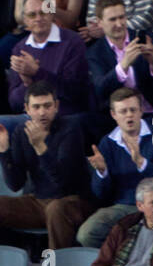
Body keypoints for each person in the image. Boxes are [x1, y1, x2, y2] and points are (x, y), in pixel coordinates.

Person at [0, 82, 95, 247]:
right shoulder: (21, 132)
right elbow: (16, 185)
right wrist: (4, 151)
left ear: (56, 106)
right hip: (39, 202)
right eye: (36, 107)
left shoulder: (71, 129)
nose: (42, 112)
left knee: (55, 209)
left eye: (47, 106)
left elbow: (63, 183)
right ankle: (9, 265)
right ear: (26, 109)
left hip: (74, 202)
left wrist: (40, 147)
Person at [81, 86, 153, 248]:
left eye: (133, 110)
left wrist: (141, 162)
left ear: (141, 110)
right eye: (123, 111)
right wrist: (102, 172)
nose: (129, 115)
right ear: (114, 115)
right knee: (87, 234)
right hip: (125, 206)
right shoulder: (108, 143)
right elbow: (100, 194)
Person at [7, 0, 91, 115]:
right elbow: (14, 103)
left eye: (43, 12)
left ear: (52, 14)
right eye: (32, 15)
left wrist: (37, 72)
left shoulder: (73, 42)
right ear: (25, 20)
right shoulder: (20, 49)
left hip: (64, 115)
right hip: (31, 117)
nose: (38, 19)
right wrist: (27, 83)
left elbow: (74, 92)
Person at [86, 0, 153, 115]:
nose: (119, 24)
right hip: (118, 119)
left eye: (122, 17)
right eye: (112, 19)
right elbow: (101, 91)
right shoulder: (94, 53)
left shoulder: (149, 39)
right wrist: (123, 66)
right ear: (100, 22)